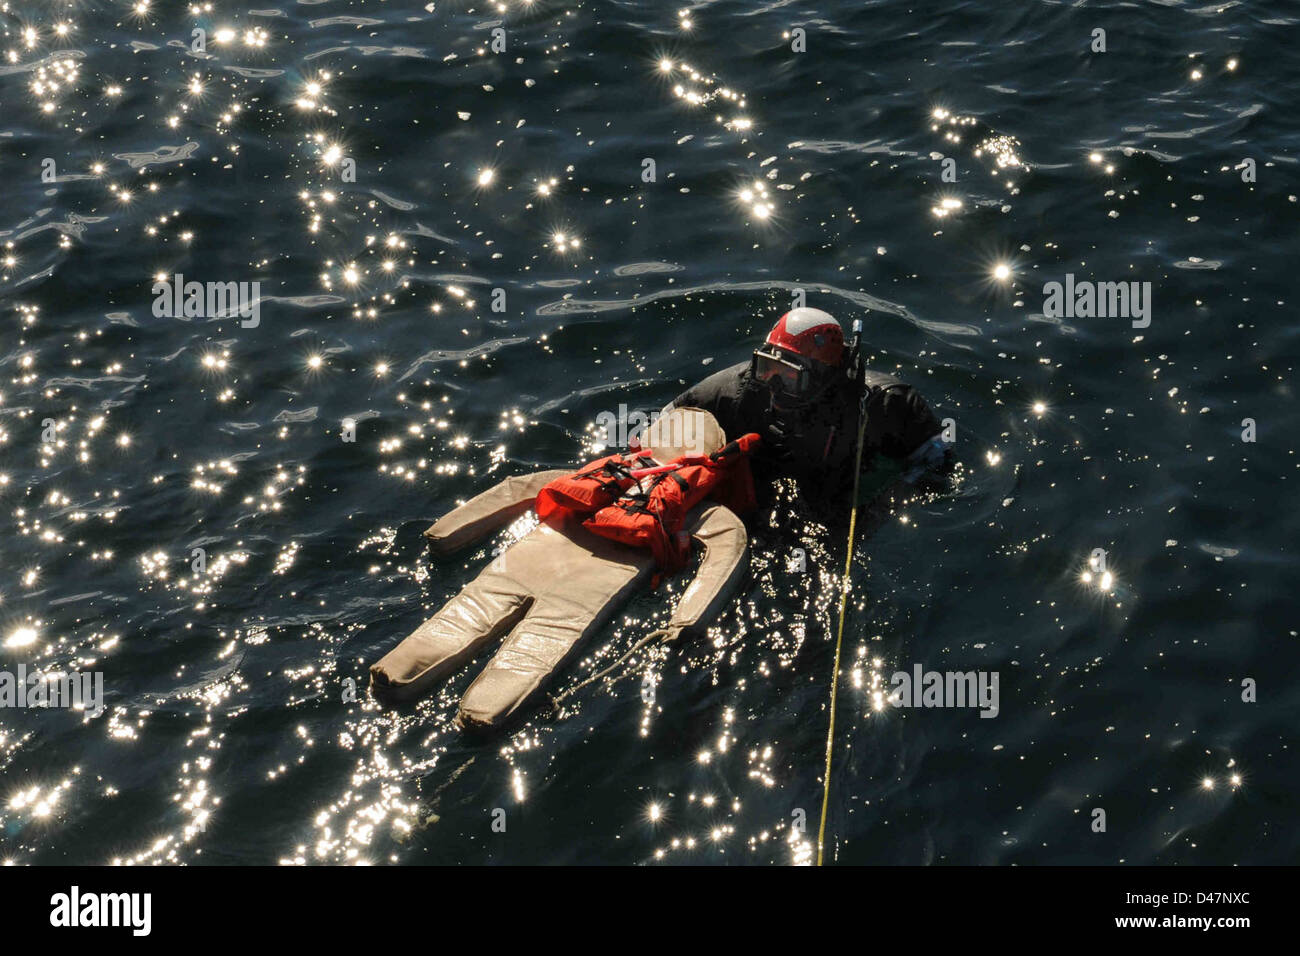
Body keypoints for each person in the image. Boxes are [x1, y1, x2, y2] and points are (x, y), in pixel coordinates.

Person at [664, 307, 947, 524]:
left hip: (838, 498)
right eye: (766, 367)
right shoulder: (736, 389)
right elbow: (668, 419)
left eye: (788, 377)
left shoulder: (885, 403)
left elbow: (938, 464)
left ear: (821, 378)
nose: (772, 386)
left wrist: (884, 504)